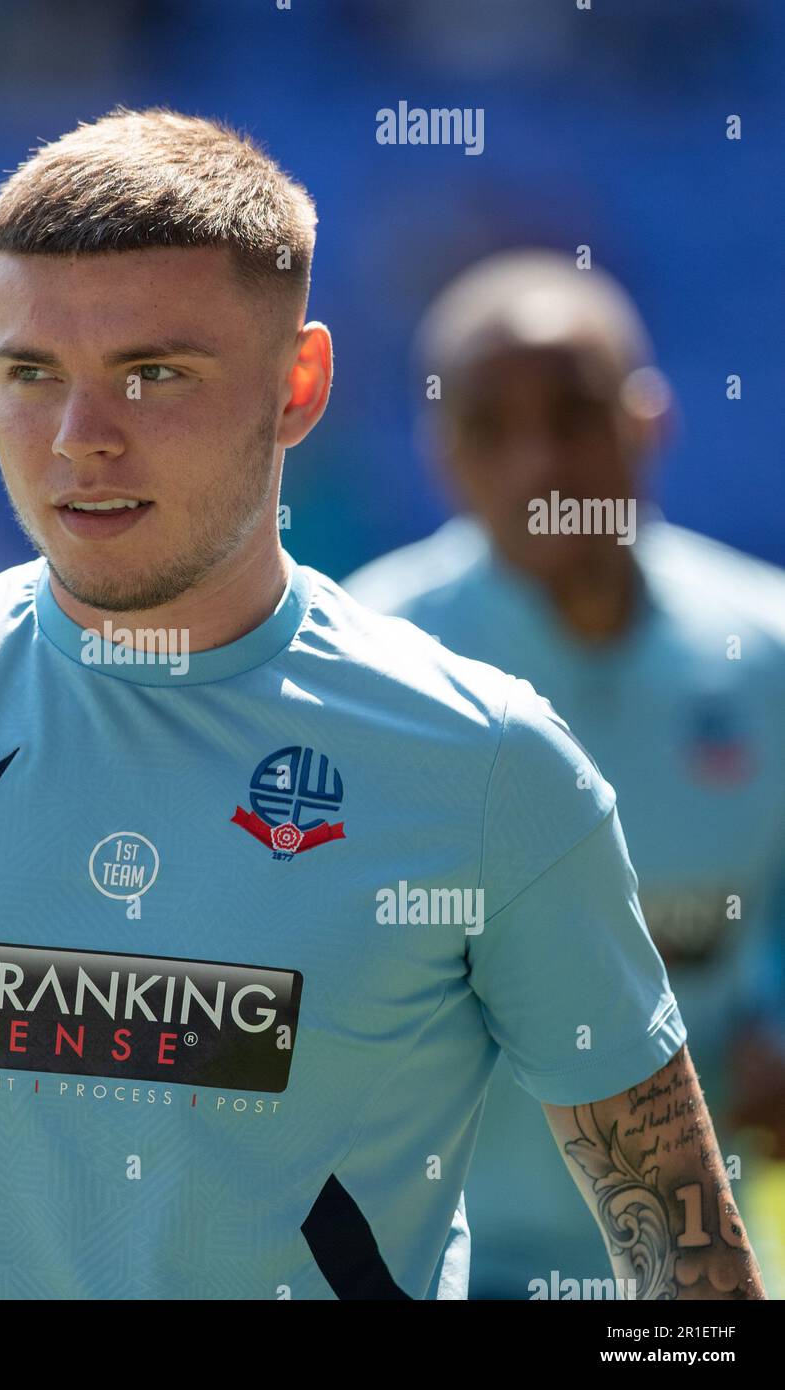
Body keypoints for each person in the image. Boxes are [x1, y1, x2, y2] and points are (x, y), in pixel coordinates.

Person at [0, 111, 762, 1301]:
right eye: (31, 373)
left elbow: (687, 1262)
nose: (81, 439)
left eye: (152, 375)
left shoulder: (489, 762)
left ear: (296, 386)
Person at [342, 248, 785, 1299]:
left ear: (650, 418)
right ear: (439, 453)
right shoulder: (367, 668)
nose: (538, 460)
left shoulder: (761, 650)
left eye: (575, 414)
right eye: (489, 426)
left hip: (682, 1272)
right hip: (430, 1268)